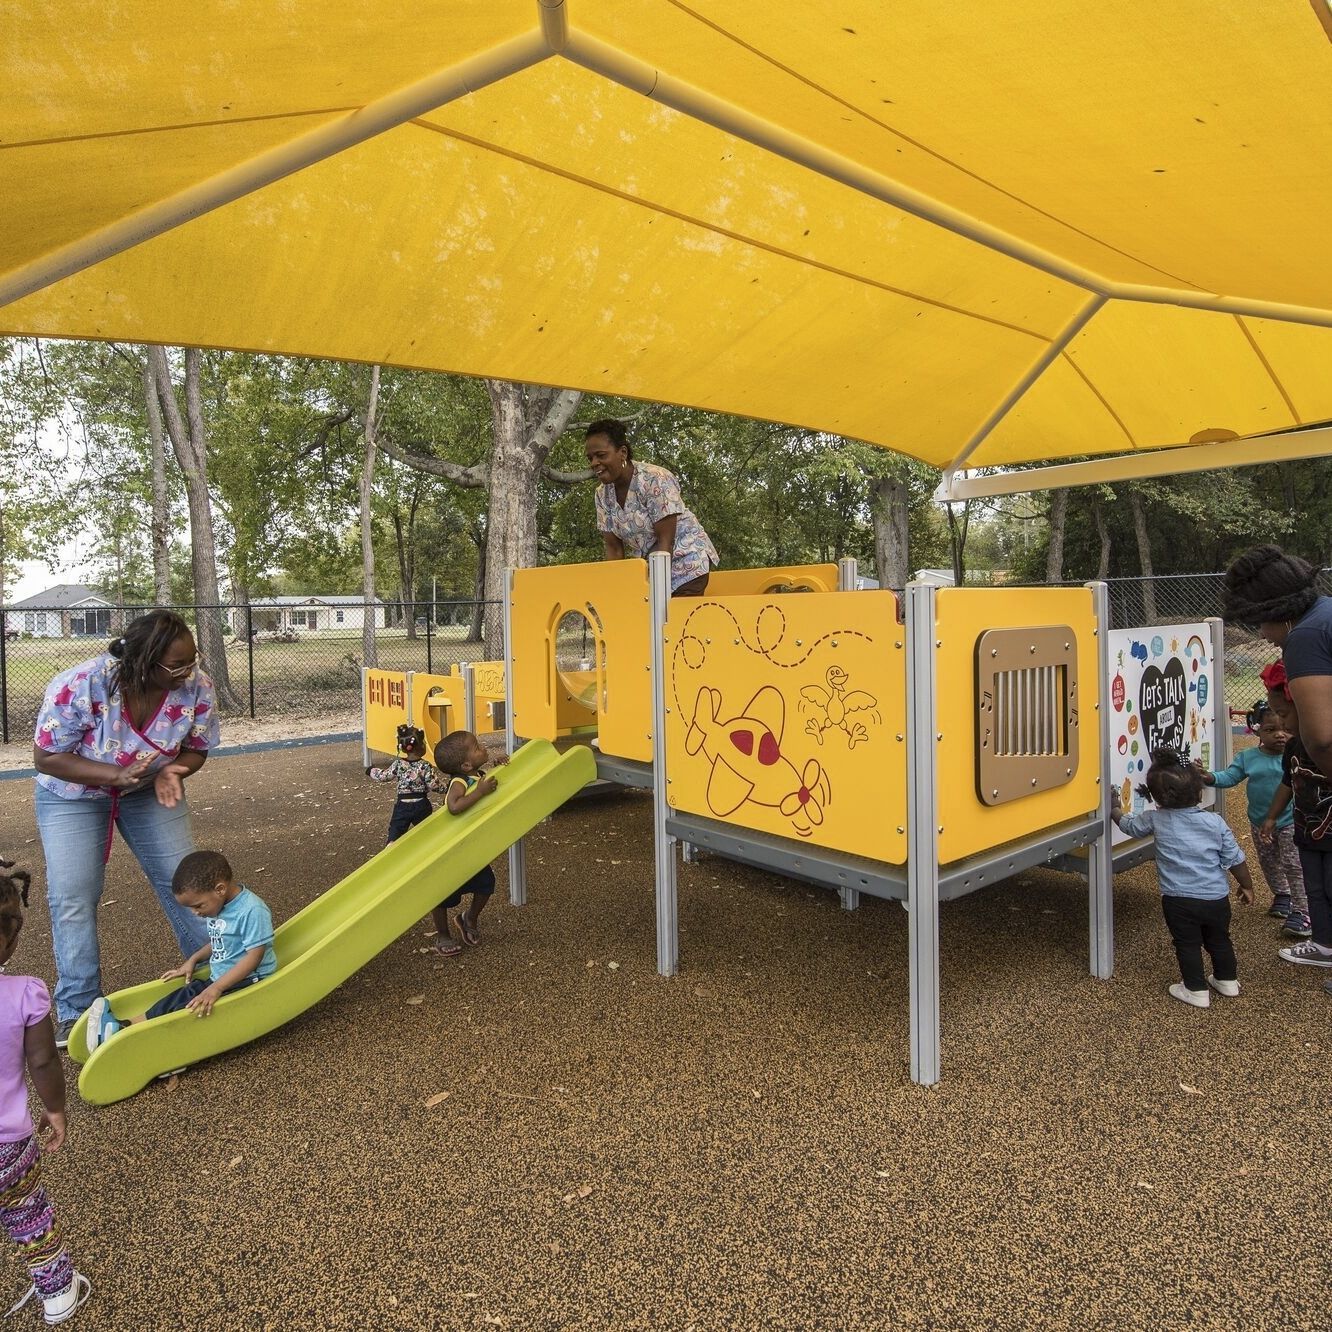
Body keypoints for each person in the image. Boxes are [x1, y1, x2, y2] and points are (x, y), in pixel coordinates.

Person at [31, 611, 220, 1047]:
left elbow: (196, 749)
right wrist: (113, 776)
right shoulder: (82, 684)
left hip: (149, 789)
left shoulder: (197, 687)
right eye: (177, 665)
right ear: (143, 660)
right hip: (72, 796)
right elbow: (46, 757)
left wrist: (175, 771)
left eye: (192, 660)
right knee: (73, 895)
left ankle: (219, 973)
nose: (188, 671)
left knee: (187, 878)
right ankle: (77, 1009)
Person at [1224, 546, 1332, 987]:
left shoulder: (1305, 637)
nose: (1264, 635)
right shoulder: (1327, 612)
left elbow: (1322, 735)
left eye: (1261, 623)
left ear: (1280, 612)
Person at [0, 861, 90, 1326]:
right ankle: (57, 1294)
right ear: (10, 939)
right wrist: (55, 1109)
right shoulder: (24, 995)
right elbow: (42, 1061)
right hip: (8, 1146)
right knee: (28, 1217)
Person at [84, 850, 276, 1050]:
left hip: (250, 980)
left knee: (189, 1009)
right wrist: (193, 960)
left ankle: (136, 1039)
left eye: (198, 906)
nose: (195, 912)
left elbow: (255, 956)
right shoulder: (218, 905)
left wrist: (216, 988)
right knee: (180, 996)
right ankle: (123, 1027)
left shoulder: (252, 910)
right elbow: (223, 939)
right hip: (220, 977)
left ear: (220, 889)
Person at [1111, 747, 1254, 1008]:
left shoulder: (1156, 819)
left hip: (1178, 899)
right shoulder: (1215, 822)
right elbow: (1235, 857)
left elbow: (1129, 826)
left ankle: (1195, 989)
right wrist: (1246, 885)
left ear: (1155, 797)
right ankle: (1227, 981)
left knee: (1187, 943)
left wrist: (1114, 809)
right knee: (1220, 939)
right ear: (1199, 792)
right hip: (1216, 897)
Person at [1197, 704, 1311, 937]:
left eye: (1285, 729)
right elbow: (1230, 777)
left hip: (1291, 820)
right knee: (1269, 861)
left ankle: (1302, 910)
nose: (1280, 735)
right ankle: (1282, 894)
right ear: (1257, 731)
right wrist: (1209, 777)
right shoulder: (1248, 758)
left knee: (1293, 864)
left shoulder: (1297, 756)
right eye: (1271, 730)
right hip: (1259, 821)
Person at [584, 418, 718, 596]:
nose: (594, 463)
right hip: (651, 572)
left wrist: (656, 595)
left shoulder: (655, 479)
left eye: (601, 455)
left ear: (622, 452)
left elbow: (666, 541)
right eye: (590, 458)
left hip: (686, 564)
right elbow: (614, 549)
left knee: (673, 623)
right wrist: (614, 593)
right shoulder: (602, 495)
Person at [368, 724, 460, 957]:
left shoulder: (398, 765)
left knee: (396, 828)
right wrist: (450, 785)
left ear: (402, 747)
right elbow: (435, 786)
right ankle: (426, 849)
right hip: (420, 803)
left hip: (403, 804)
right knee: (425, 831)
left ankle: (391, 846)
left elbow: (384, 776)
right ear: (421, 746)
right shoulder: (425, 767)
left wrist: (370, 771)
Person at [432, 731, 509, 946]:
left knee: (486, 884)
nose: (482, 747)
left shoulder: (475, 774)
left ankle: (469, 917)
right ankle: (443, 935)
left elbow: (485, 783)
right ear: (465, 765)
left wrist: (499, 766)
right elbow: (454, 806)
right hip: (453, 849)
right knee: (441, 895)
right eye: (477, 747)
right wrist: (480, 792)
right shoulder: (459, 781)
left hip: (471, 848)